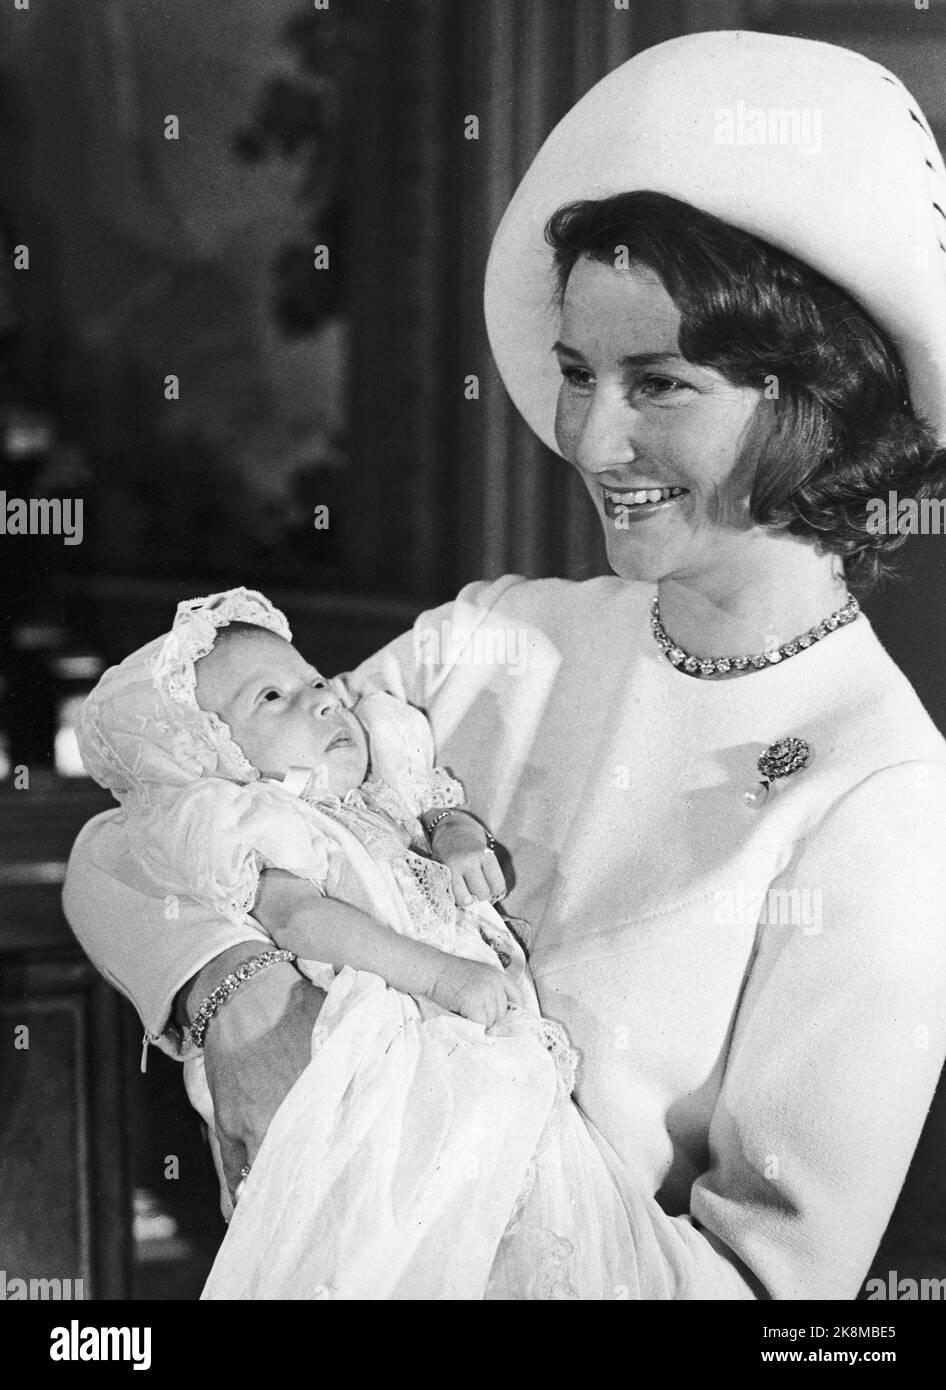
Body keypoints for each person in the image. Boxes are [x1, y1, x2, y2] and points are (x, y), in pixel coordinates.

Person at [65, 31, 946, 1299]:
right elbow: (136, 842)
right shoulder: (490, 643)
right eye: (580, 374)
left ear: (817, 393)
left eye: (660, 383)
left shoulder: (886, 798)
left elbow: (772, 1303)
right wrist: (228, 992)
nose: (592, 436)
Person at [76, 585, 676, 1298]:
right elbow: (304, 921)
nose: (324, 700)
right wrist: (440, 977)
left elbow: (433, 810)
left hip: (476, 1047)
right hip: (384, 1047)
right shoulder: (264, 828)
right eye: (271, 699)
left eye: (315, 681)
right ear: (211, 755)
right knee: (391, 1235)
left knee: (530, 1220)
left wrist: (455, 834)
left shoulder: (377, 788)